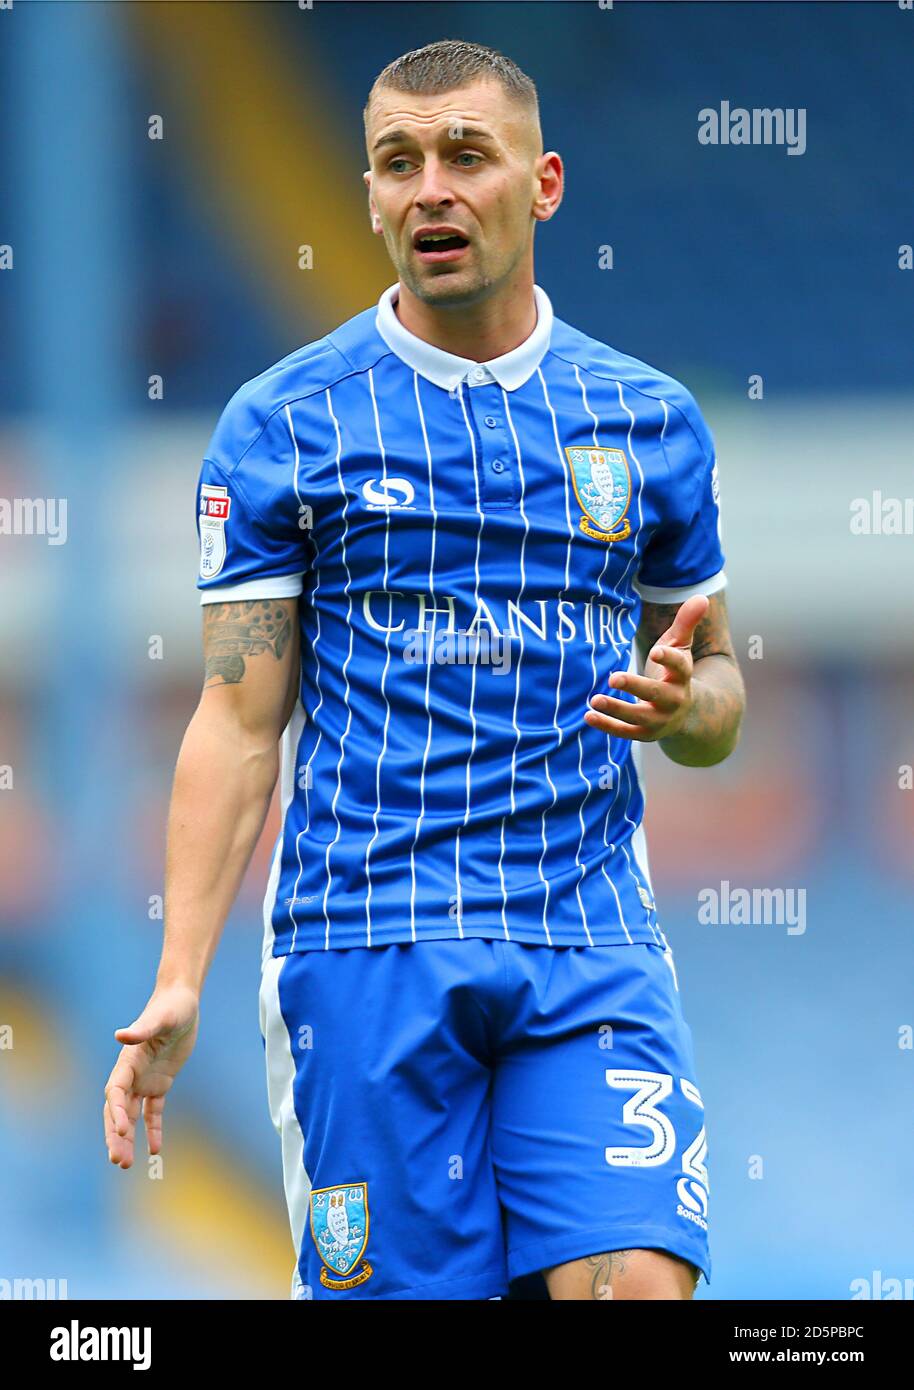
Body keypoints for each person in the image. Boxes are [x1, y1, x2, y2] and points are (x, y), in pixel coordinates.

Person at [103, 38, 745, 1301]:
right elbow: (237, 724)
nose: (430, 188)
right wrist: (179, 975)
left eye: (465, 154)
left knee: (635, 1287)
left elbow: (716, 690)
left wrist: (687, 709)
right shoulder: (283, 424)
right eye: (398, 162)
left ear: (542, 184)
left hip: (585, 935)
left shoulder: (648, 420)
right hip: (363, 945)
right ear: (369, 196)